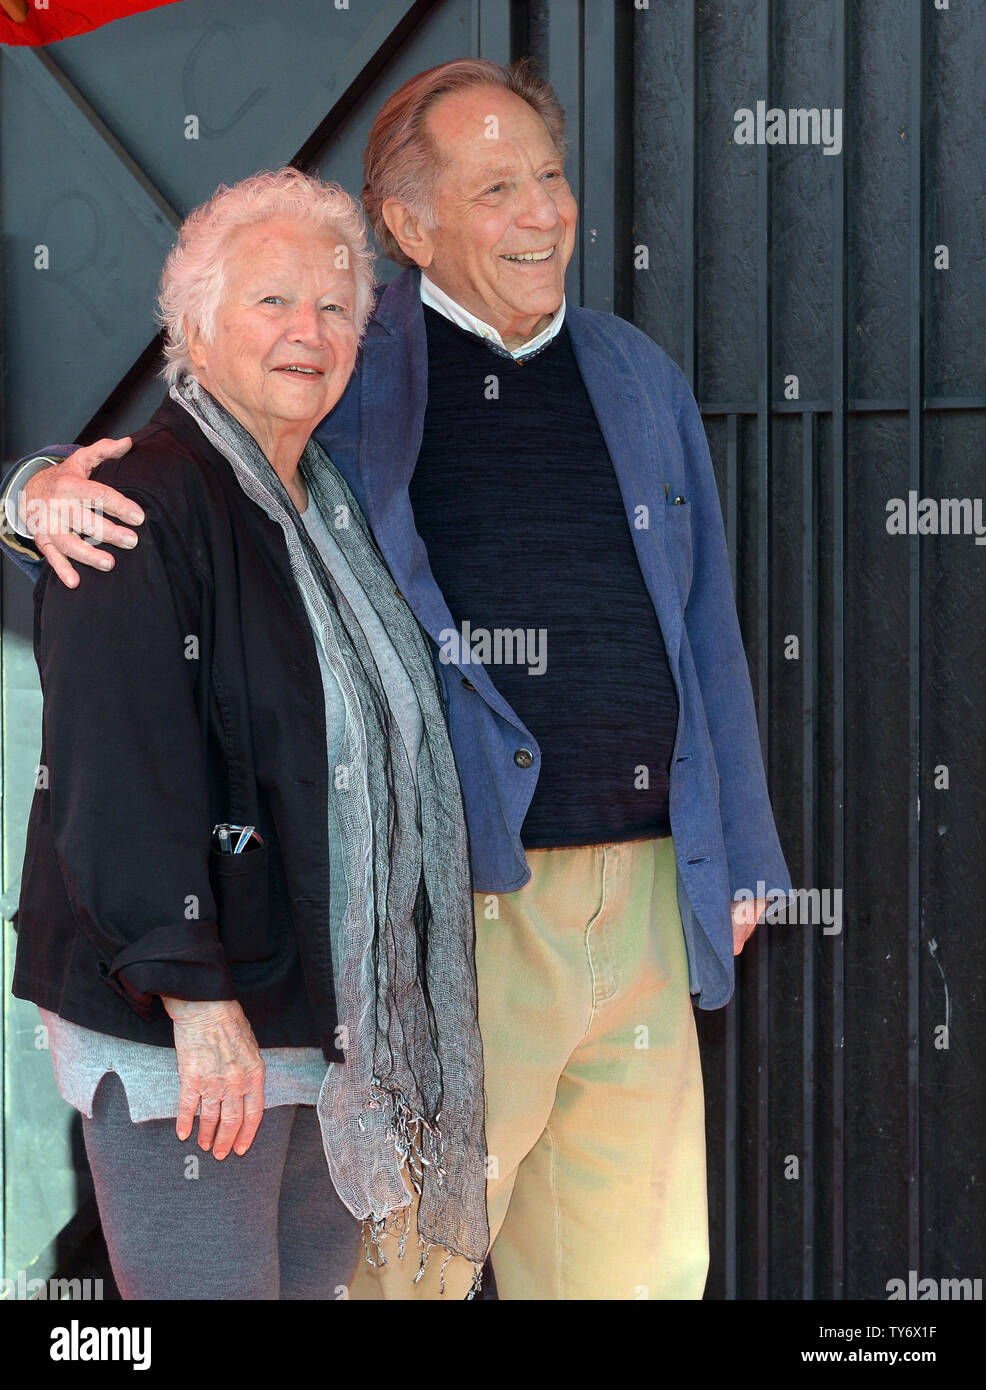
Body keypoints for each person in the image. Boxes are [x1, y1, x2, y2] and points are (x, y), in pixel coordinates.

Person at [3, 58, 790, 1301]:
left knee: (631, 1266)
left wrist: (737, 848)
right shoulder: (362, 369)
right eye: (496, 188)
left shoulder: (633, 373)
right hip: (462, 900)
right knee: (406, 1264)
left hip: (625, 895)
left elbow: (703, 630)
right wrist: (28, 493)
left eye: (548, 178)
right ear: (412, 228)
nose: (540, 213)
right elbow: (154, 481)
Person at [6, 166, 487, 1300]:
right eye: (271, 302)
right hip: (198, 1038)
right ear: (194, 325)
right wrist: (194, 999)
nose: (307, 332)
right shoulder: (130, 500)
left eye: (333, 307)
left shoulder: (324, 509)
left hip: (327, 1029)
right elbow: (116, 775)